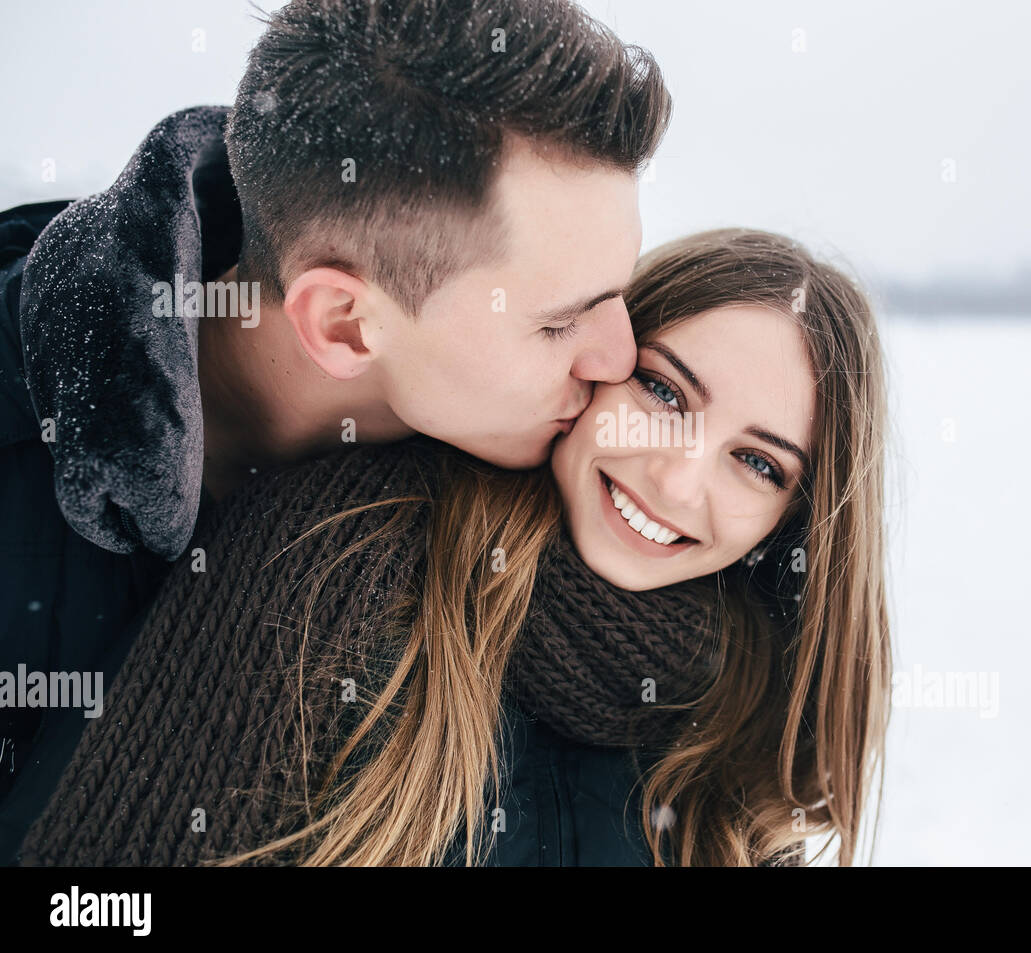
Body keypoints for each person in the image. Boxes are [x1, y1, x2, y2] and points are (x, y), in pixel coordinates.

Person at [0, 0, 669, 864]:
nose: (620, 358)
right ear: (346, 323)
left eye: (621, 293)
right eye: (557, 324)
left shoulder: (545, 473)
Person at [21, 229, 893, 867]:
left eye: (755, 462)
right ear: (599, 355)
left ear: (794, 518)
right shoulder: (341, 556)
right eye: (664, 391)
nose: (676, 481)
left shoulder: (747, 727)